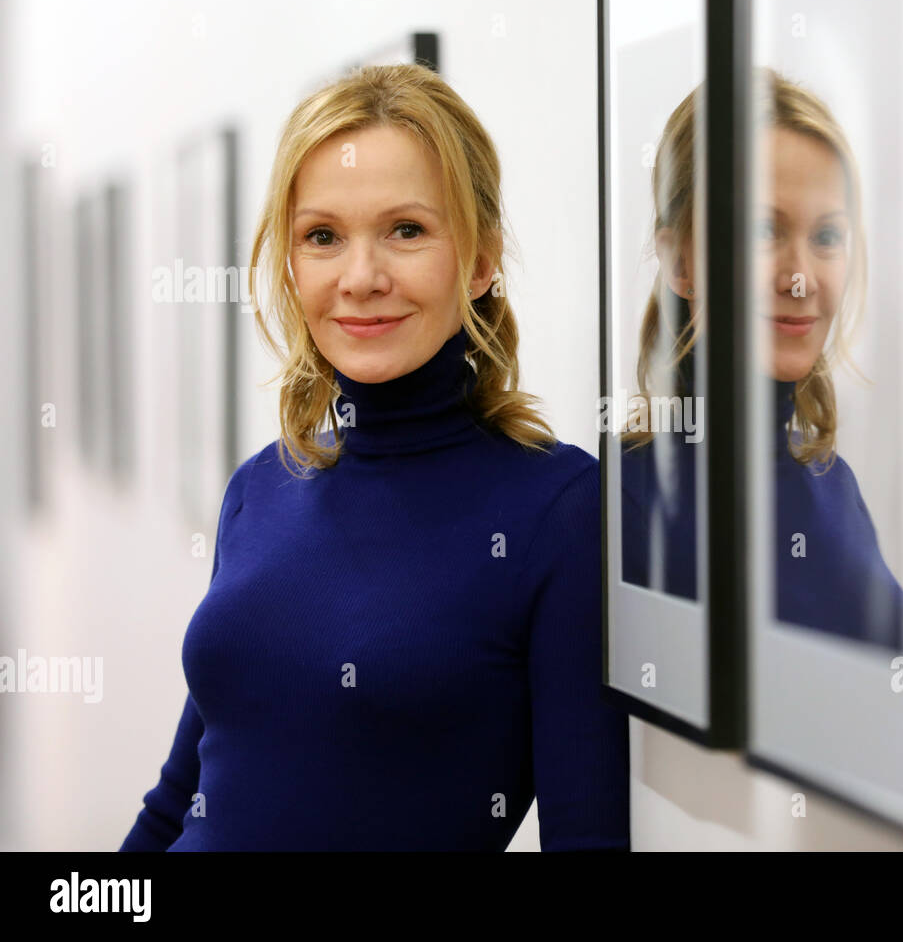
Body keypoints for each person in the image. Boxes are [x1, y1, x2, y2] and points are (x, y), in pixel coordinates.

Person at [121, 64, 629, 851]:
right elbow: (178, 799)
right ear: (291, 263)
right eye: (323, 236)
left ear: (482, 259)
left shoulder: (560, 510)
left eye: (407, 230)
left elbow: (586, 837)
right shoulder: (260, 485)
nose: (362, 278)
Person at [620, 70, 903, 799]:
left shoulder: (831, 480)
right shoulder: (621, 503)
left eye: (827, 235)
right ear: (680, 260)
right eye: (763, 229)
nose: (801, 278)